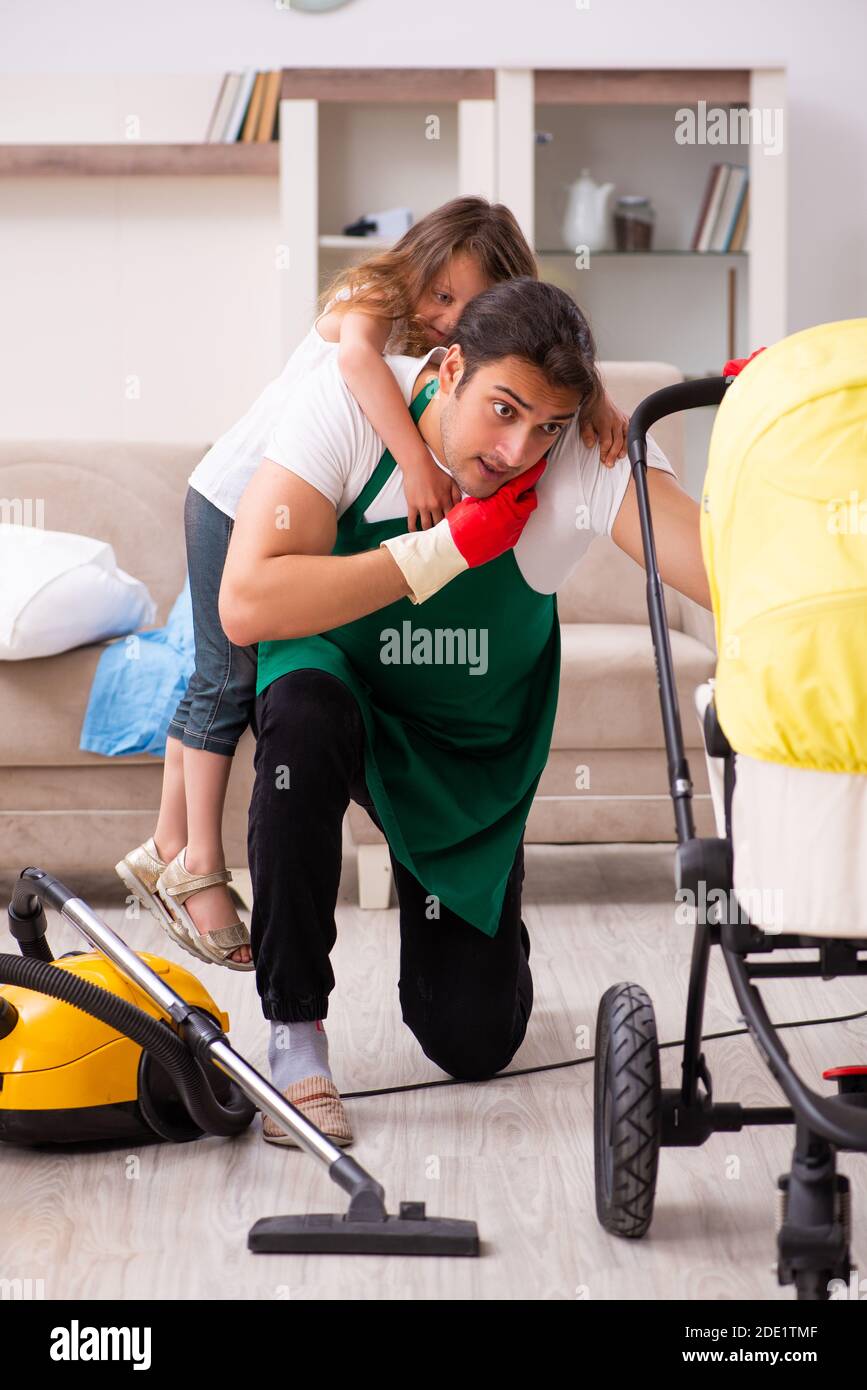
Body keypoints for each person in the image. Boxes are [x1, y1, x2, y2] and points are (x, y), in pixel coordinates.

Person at [218, 277, 712, 1146]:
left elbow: (719, 567)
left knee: (474, 1043)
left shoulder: (579, 451)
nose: (519, 448)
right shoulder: (342, 405)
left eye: (546, 424)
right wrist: (437, 552)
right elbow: (248, 601)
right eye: (502, 409)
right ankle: (295, 1039)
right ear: (448, 368)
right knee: (298, 713)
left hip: (461, 745)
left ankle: (485, 951)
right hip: (340, 689)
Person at [114, 198, 628, 970]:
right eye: (443, 298)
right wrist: (418, 465)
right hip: (234, 494)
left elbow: (544, 365)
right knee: (227, 680)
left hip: (278, 500)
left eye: (473, 305)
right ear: (414, 268)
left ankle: (164, 848)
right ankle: (192, 864)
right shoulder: (371, 299)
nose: (451, 319)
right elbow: (355, 366)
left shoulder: (456, 355)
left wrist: (595, 396)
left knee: (226, 676)